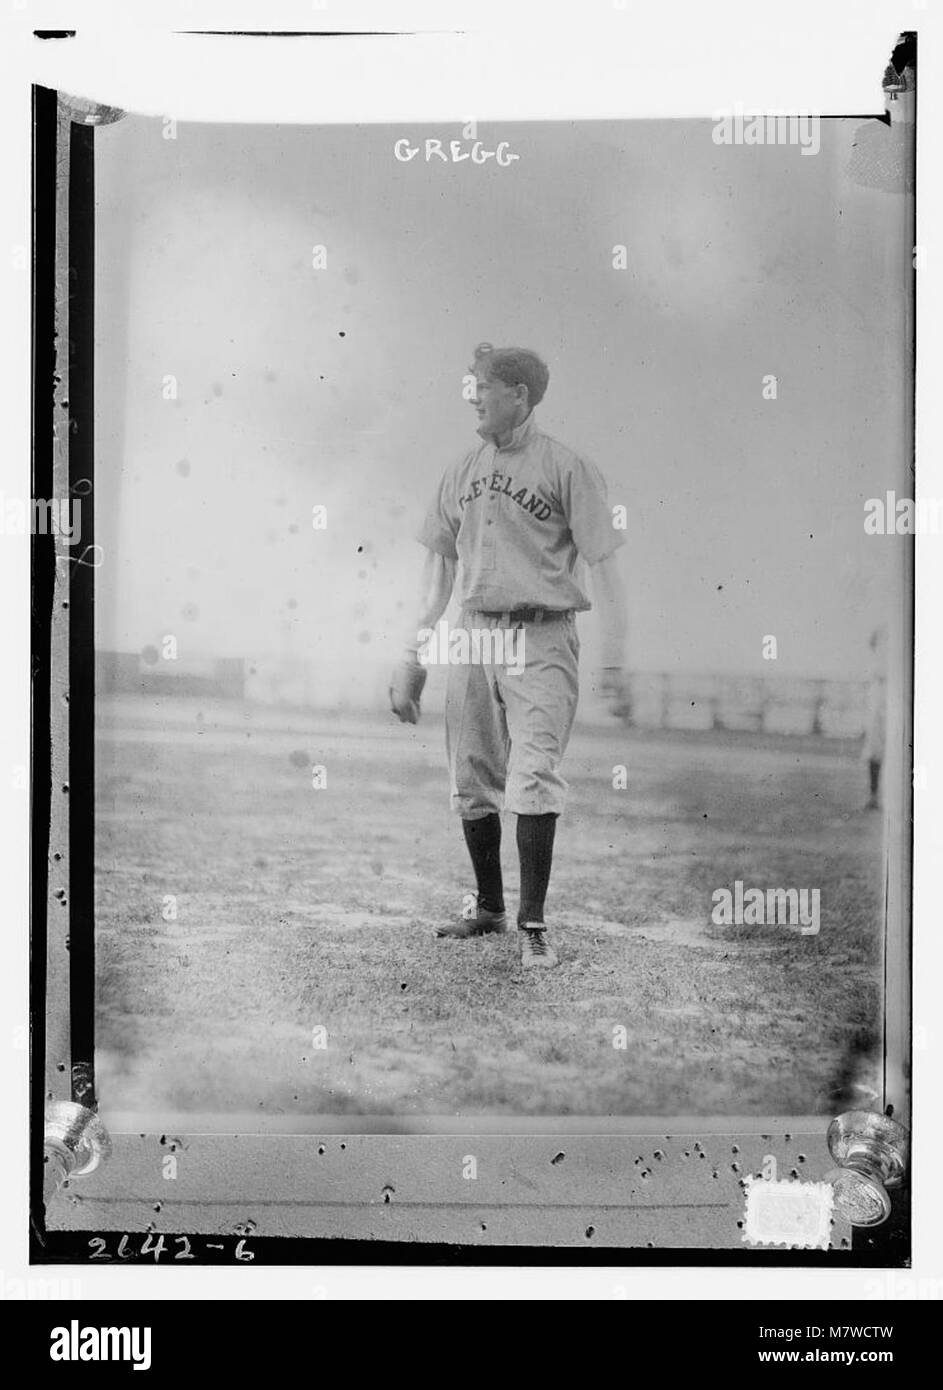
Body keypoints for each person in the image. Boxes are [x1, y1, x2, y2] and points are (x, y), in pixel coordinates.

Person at [390, 344, 629, 968]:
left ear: (519, 394)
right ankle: (490, 907)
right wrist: (412, 655)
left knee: (534, 773)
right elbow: (436, 577)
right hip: (475, 632)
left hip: (542, 634)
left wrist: (614, 659)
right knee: (471, 776)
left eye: (484, 386)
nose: (473, 397)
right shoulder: (460, 471)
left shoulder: (568, 467)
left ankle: (533, 924)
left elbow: (604, 566)